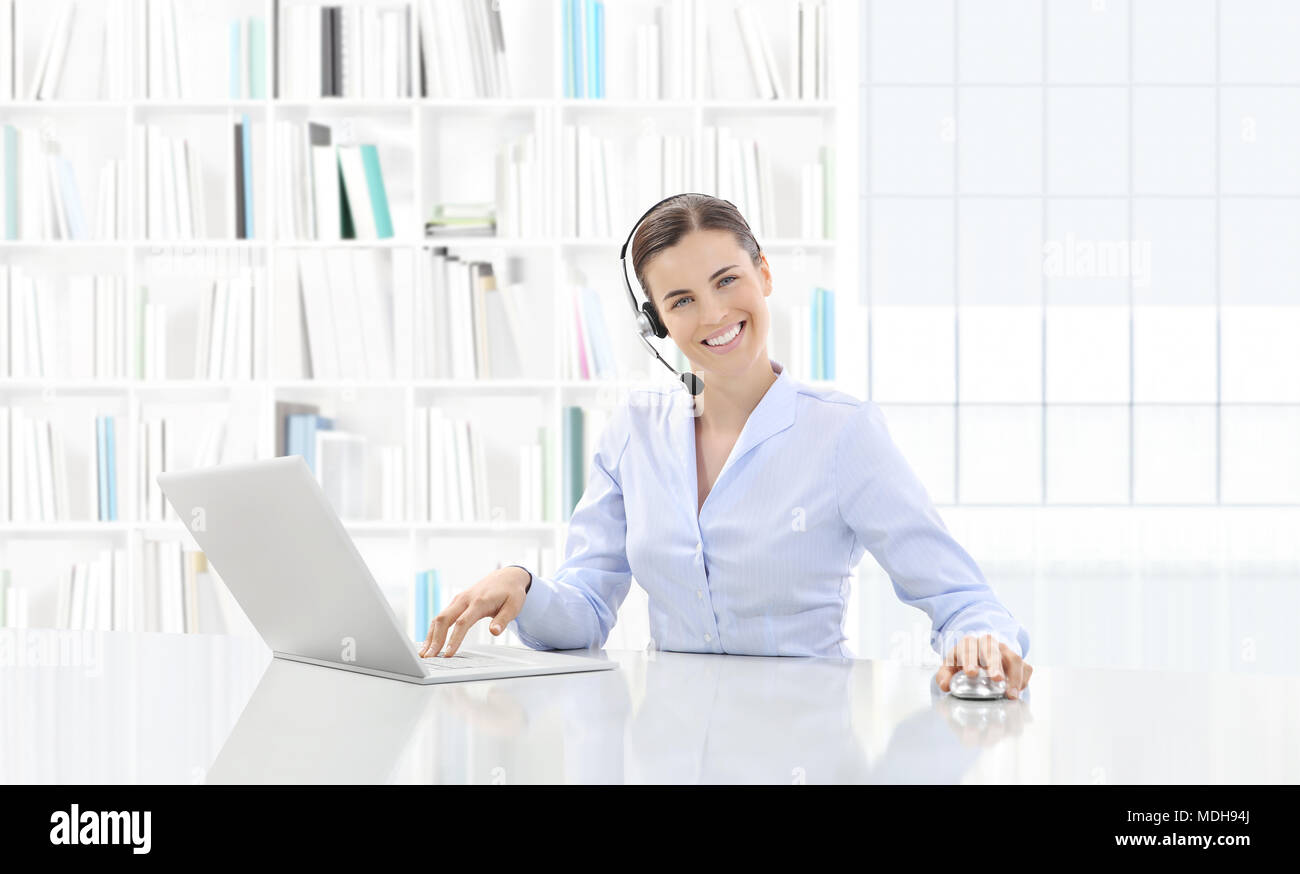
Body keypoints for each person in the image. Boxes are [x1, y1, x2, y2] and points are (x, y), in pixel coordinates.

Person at [420, 194, 1033, 698]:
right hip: (670, 750)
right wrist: (523, 583)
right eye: (681, 300)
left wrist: (981, 643)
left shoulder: (842, 433)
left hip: (803, 749)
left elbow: (960, 596)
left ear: (763, 274)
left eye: (726, 281)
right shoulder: (633, 431)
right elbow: (584, 611)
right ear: (657, 323)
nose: (713, 314)